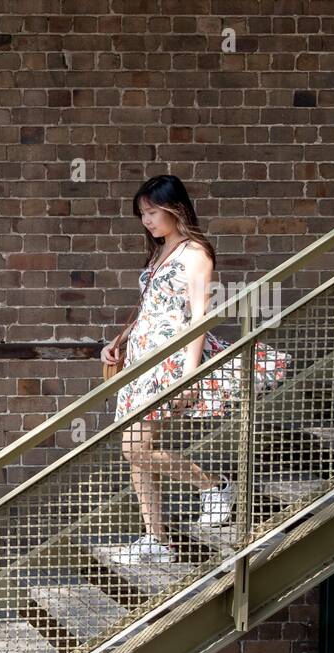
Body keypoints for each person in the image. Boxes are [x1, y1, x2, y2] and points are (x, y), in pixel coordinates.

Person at [100, 175, 240, 565]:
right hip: (140, 361)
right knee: (136, 450)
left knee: (133, 448)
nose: (146, 220)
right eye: (142, 214)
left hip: (170, 361)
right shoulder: (160, 253)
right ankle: (155, 539)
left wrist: (189, 372)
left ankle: (213, 485)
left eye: (151, 212)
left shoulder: (195, 253)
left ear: (174, 208)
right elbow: (149, 310)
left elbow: (199, 315)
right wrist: (117, 343)